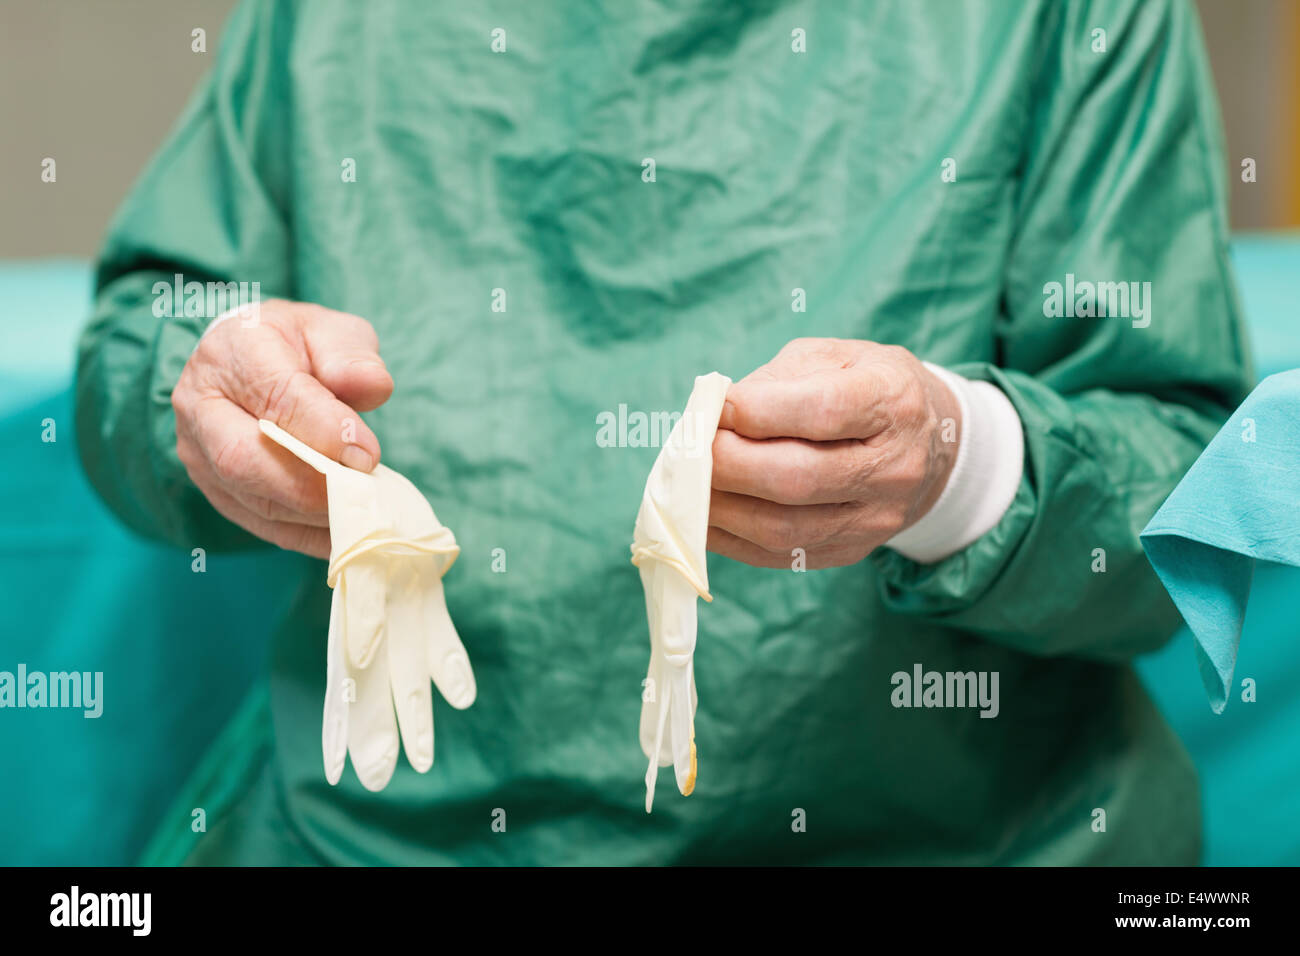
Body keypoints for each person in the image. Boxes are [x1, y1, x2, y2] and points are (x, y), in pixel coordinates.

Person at [76, 0, 1251, 865]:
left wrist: (963, 465)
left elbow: (1187, 519)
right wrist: (203, 388)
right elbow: (147, 337)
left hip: (964, 833)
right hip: (385, 835)